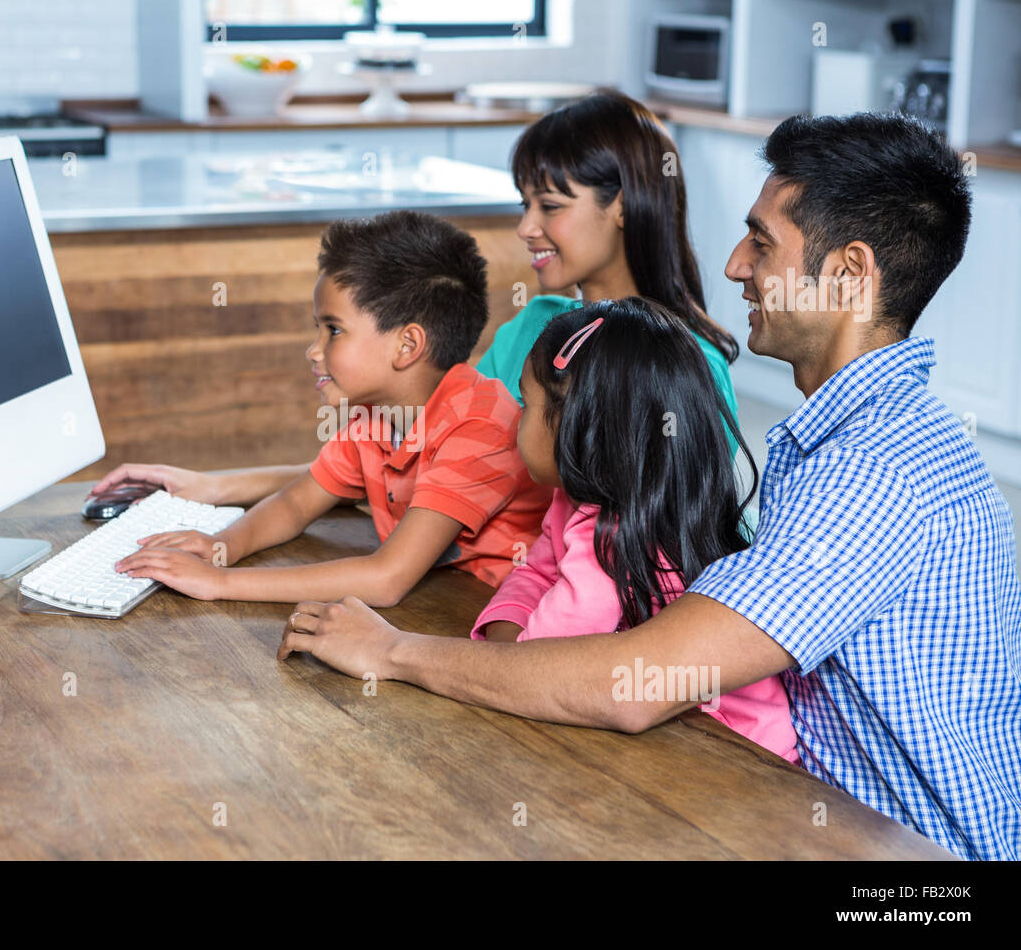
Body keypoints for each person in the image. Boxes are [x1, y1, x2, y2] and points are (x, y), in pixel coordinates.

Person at [279, 112, 1021, 861]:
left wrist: (395, 654)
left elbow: (638, 683)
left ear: (849, 272)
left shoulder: (875, 470)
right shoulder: (868, 433)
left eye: (761, 242)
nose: (735, 266)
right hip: (811, 812)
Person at [89, 88, 743, 507]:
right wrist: (211, 487)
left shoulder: (683, 361)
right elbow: (416, 455)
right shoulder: (537, 325)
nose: (526, 228)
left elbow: (669, 550)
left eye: (549, 206)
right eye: (524, 205)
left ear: (624, 206)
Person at [114, 210, 551, 603]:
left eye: (333, 331)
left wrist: (219, 584)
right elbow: (296, 504)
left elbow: (386, 578)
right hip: (441, 603)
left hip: (506, 614)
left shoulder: (479, 424)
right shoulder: (372, 416)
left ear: (407, 345)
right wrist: (221, 547)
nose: (314, 350)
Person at [473, 297, 798, 761]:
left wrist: (510, 656)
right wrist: (509, 646)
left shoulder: (613, 534)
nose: (513, 425)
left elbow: (541, 666)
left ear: (574, 421)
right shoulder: (580, 500)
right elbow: (534, 579)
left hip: (736, 759)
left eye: (526, 404)